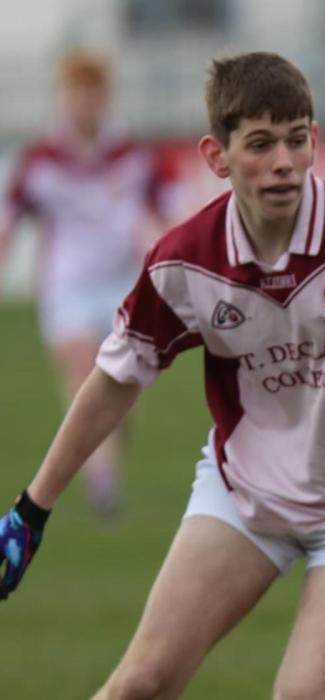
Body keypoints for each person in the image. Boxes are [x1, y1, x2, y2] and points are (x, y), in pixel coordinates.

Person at [0, 51, 325, 698]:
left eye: (296, 139)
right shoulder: (182, 264)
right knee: (136, 685)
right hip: (246, 492)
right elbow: (114, 380)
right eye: (260, 143)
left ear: (314, 142)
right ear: (216, 156)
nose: (283, 161)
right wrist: (33, 509)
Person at [0, 49, 182, 516]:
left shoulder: (133, 154)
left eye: (94, 94)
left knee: (122, 387)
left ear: (105, 98)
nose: (86, 104)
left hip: (122, 285)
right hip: (66, 287)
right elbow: (10, 219)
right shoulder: (41, 158)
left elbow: (173, 211)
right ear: (65, 98)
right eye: (77, 94)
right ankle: (103, 481)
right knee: (83, 371)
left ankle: (107, 454)